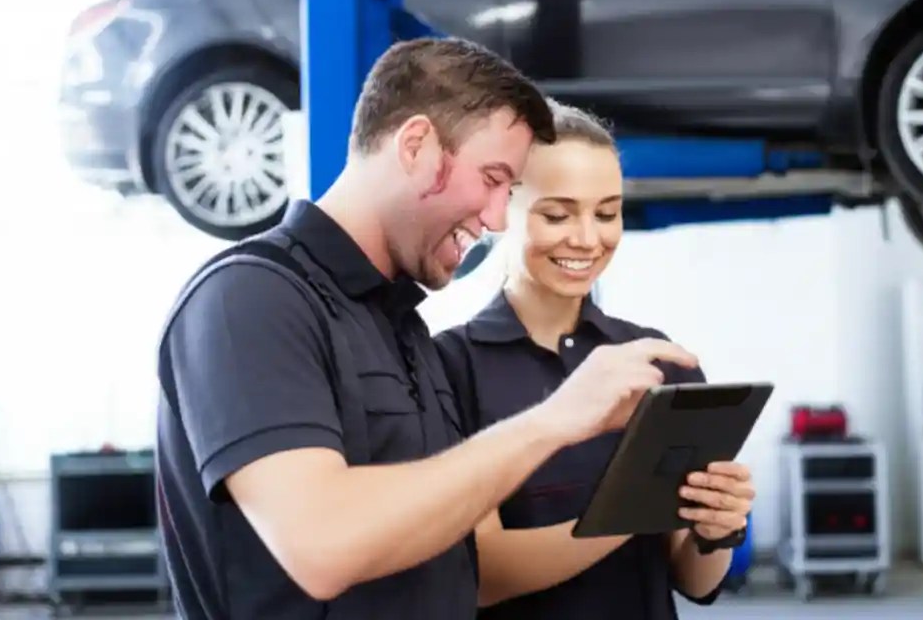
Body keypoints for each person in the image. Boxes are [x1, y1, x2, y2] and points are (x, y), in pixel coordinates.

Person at [153, 37, 701, 620]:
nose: (495, 218)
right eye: (492, 180)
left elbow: (457, 564)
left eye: (508, 192)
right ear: (415, 145)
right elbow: (322, 544)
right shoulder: (249, 299)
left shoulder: (404, 330)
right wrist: (555, 421)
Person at [434, 100, 755, 620]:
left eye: (607, 213)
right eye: (557, 214)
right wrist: (637, 501)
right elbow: (481, 574)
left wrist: (715, 530)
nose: (587, 238)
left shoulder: (657, 361)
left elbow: (693, 581)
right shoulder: (448, 368)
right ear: (499, 211)